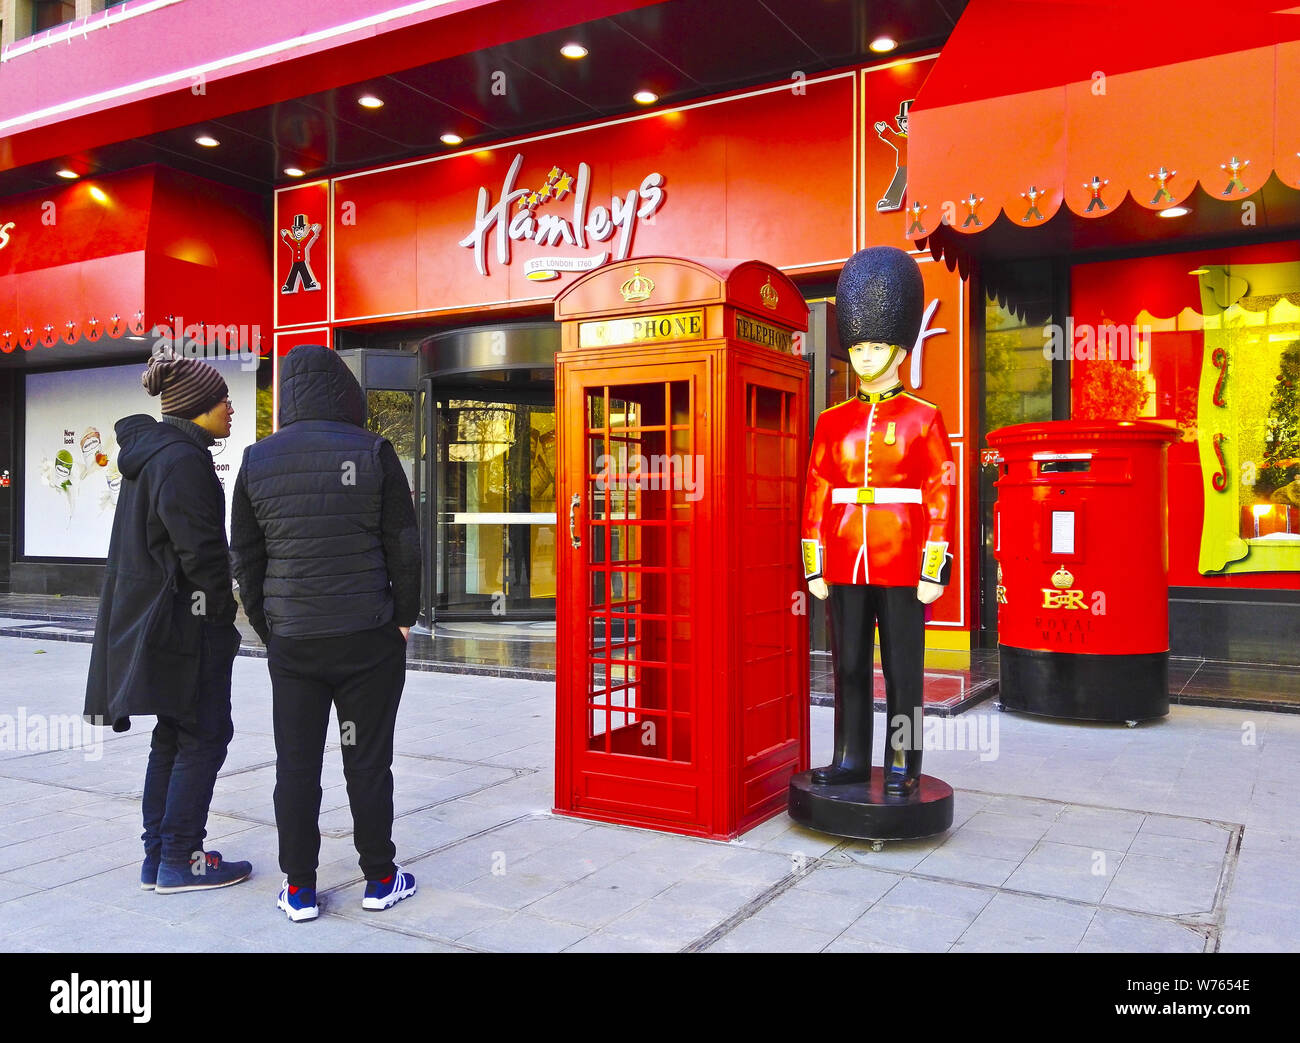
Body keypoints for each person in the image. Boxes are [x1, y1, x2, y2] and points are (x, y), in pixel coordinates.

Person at [231, 344, 421, 923]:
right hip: (367, 638)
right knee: (366, 759)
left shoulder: (257, 459)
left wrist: (272, 628)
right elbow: (403, 547)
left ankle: (300, 887)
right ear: (346, 392)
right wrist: (403, 618)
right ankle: (380, 877)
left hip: (294, 642)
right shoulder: (373, 451)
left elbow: (246, 558)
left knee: (296, 763)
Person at [84, 353, 252, 893]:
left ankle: (160, 855)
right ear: (199, 406)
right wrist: (223, 617)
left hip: (165, 621)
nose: (230, 407)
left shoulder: (156, 454)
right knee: (205, 734)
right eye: (223, 398)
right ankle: (181, 857)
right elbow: (200, 554)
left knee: (175, 735)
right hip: (187, 624)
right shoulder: (182, 460)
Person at [801, 246, 954, 795]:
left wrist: (934, 564)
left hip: (901, 557)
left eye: (877, 346)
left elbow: (940, 492)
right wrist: (814, 563)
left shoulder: (923, 417)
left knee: (903, 672)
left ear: (898, 347)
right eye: (859, 346)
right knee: (847, 668)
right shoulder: (832, 421)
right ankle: (848, 757)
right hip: (845, 555)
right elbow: (818, 487)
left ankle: (903, 762)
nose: (865, 357)